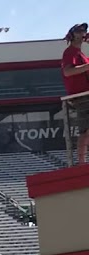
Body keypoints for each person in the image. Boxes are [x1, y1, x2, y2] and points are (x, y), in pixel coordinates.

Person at [63, 23, 89, 165]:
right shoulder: (70, 52)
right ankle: (81, 161)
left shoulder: (81, 54)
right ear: (72, 35)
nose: (83, 33)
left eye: (84, 31)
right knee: (84, 130)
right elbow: (68, 72)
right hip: (81, 96)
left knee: (86, 131)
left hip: (86, 94)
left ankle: (82, 161)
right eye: (79, 31)